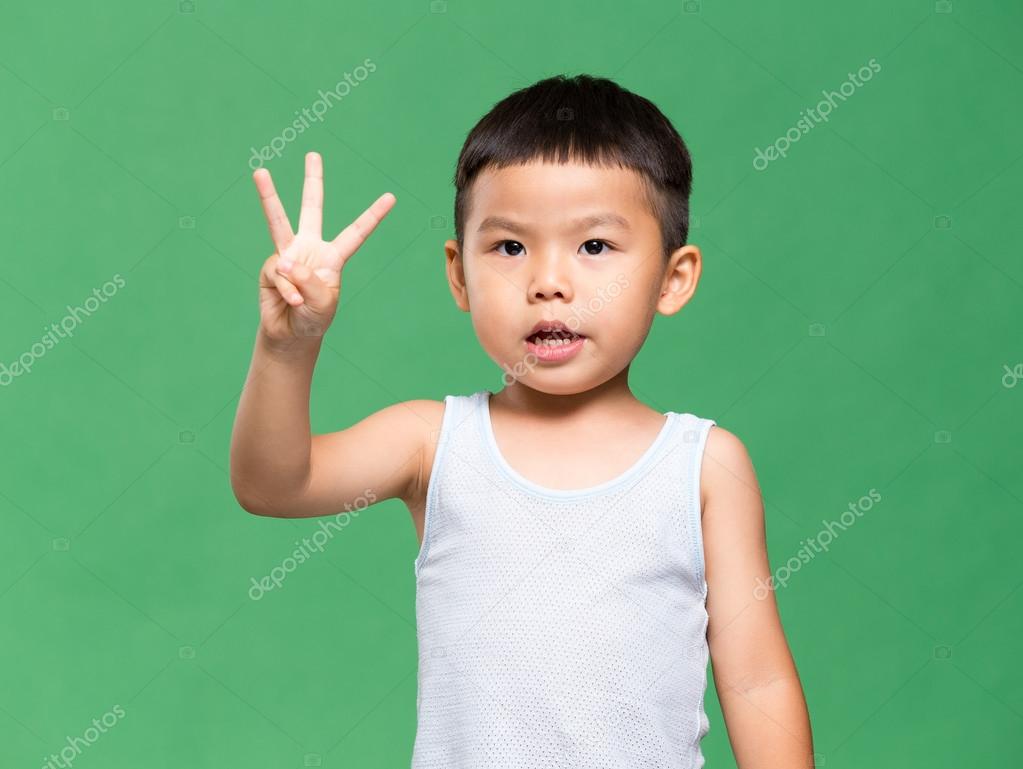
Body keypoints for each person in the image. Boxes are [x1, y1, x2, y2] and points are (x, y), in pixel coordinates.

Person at [230, 73, 814, 768]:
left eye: (594, 246)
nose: (548, 283)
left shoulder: (704, 465)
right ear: (459, 275)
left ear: (672, 277)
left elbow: (756, 680)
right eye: (510, 247)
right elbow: (272, 485)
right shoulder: (430, 442)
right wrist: (288, 345)